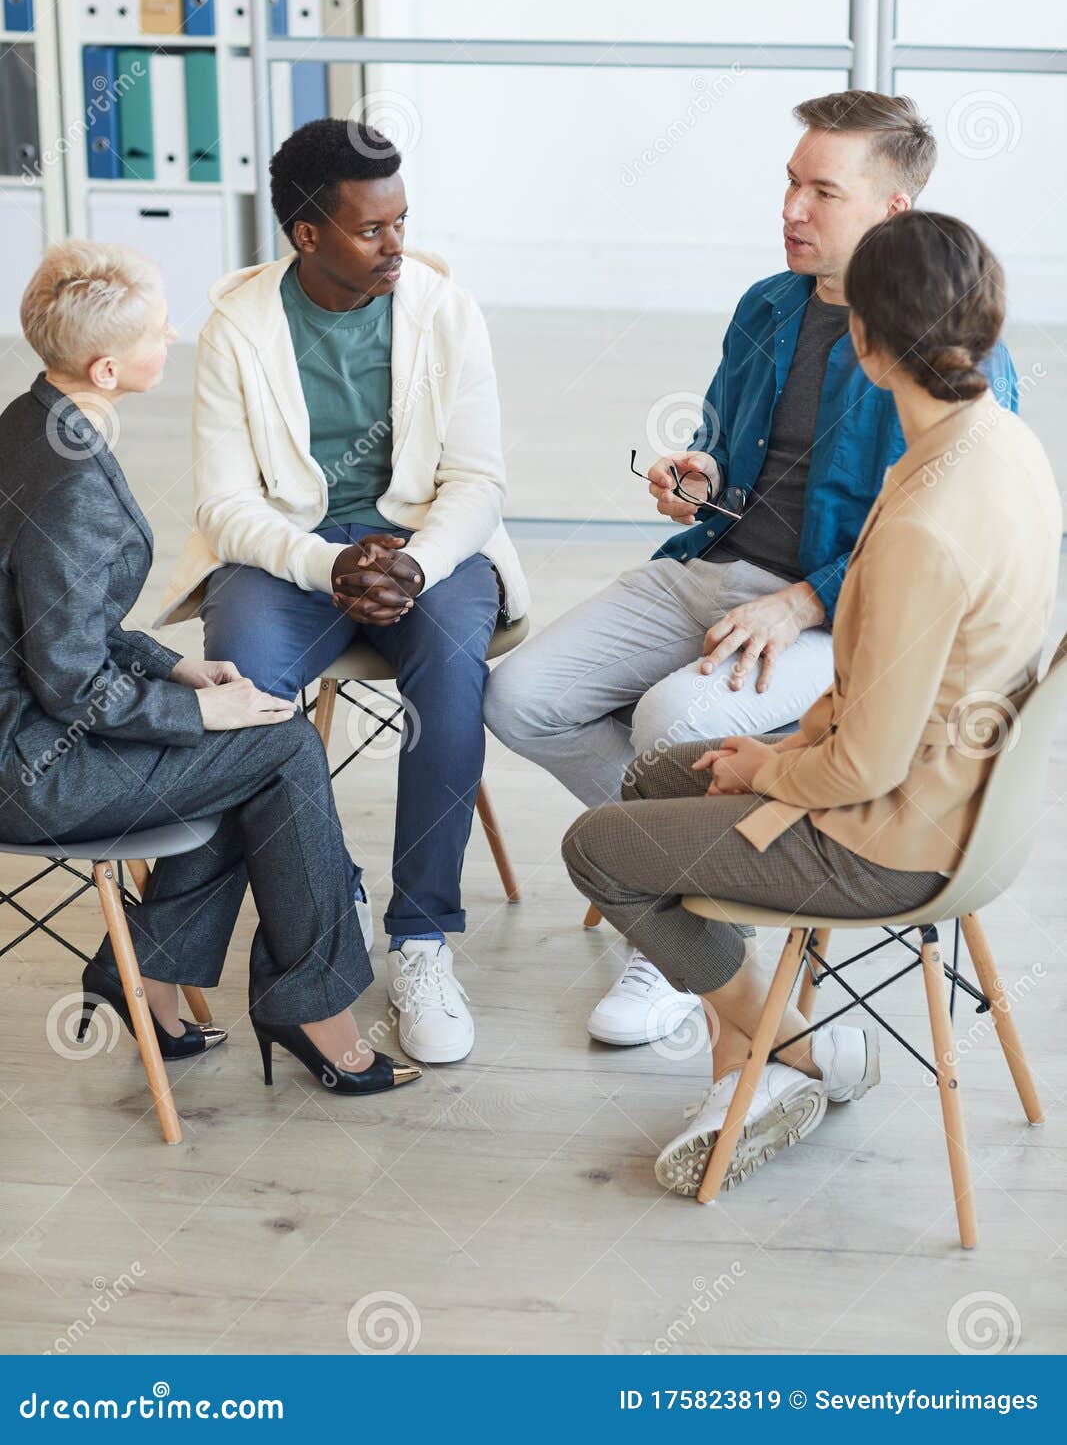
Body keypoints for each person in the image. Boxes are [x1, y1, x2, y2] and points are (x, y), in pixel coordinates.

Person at [485, 91, 1018, 1048]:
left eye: (822, 191)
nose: (792, 209)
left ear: (893, 215)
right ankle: (686, 893)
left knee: (672, 718)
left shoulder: (948, 356)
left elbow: (936, 525)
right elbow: (726, 443)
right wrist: (701, 475)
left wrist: (803, 601)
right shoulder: (766, 307)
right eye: (789, 183)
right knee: (520, 695)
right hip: (714, 562)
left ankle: (673, 937)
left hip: (828, 612)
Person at [562, 211, 1061, 1196]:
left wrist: (767, 764)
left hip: (891, 835)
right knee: (657, 771)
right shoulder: (1002, 443)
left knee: (597, 848)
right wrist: (786, 746)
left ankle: (785, 1045)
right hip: (969, 802)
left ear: (866, 346)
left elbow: (864, 767)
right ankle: (778, 1049)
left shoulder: (923, 520)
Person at [0, 241, 420, 1100]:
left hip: (28, 725)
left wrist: (177, 672)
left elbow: (57, 627)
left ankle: (148, 978)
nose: (175, 334)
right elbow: (72, 685)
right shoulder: (72, 482)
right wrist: (201, 717)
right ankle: (312, 1012)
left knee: (255, 748)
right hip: (29, 765)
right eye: (160, 329)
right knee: (279, 744)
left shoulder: (26, 421)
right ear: (109, 366)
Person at [156, 118, 529, 1067]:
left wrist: (417, 562)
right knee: (246, 700)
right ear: (307, 234)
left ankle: (420, 940)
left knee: (450, 682)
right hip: (287, 557)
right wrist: (328, 567)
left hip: (425, 550)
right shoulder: (238, 328)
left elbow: (479, 480)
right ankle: (320, 903)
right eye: (372, 230)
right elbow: (227, 503)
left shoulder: (444, 309)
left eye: (402, 220)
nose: (396, 244)